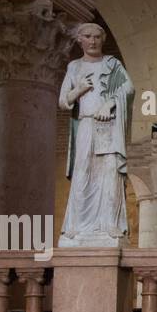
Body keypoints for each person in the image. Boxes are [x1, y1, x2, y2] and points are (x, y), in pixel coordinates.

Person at [59, 23, 134, 246]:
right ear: (79, 40)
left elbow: (128, 88)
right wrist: (79, 89)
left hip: (109, 125)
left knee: (110, 171)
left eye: (97, 37)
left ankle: (110, 224)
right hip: (86, 124)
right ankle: (76, 226)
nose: (92, 41)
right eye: (87, 37)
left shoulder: (112, 64)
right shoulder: (74, 67)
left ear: (102, 40)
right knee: (83, 171)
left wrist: (110, 103)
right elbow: (64, 101)